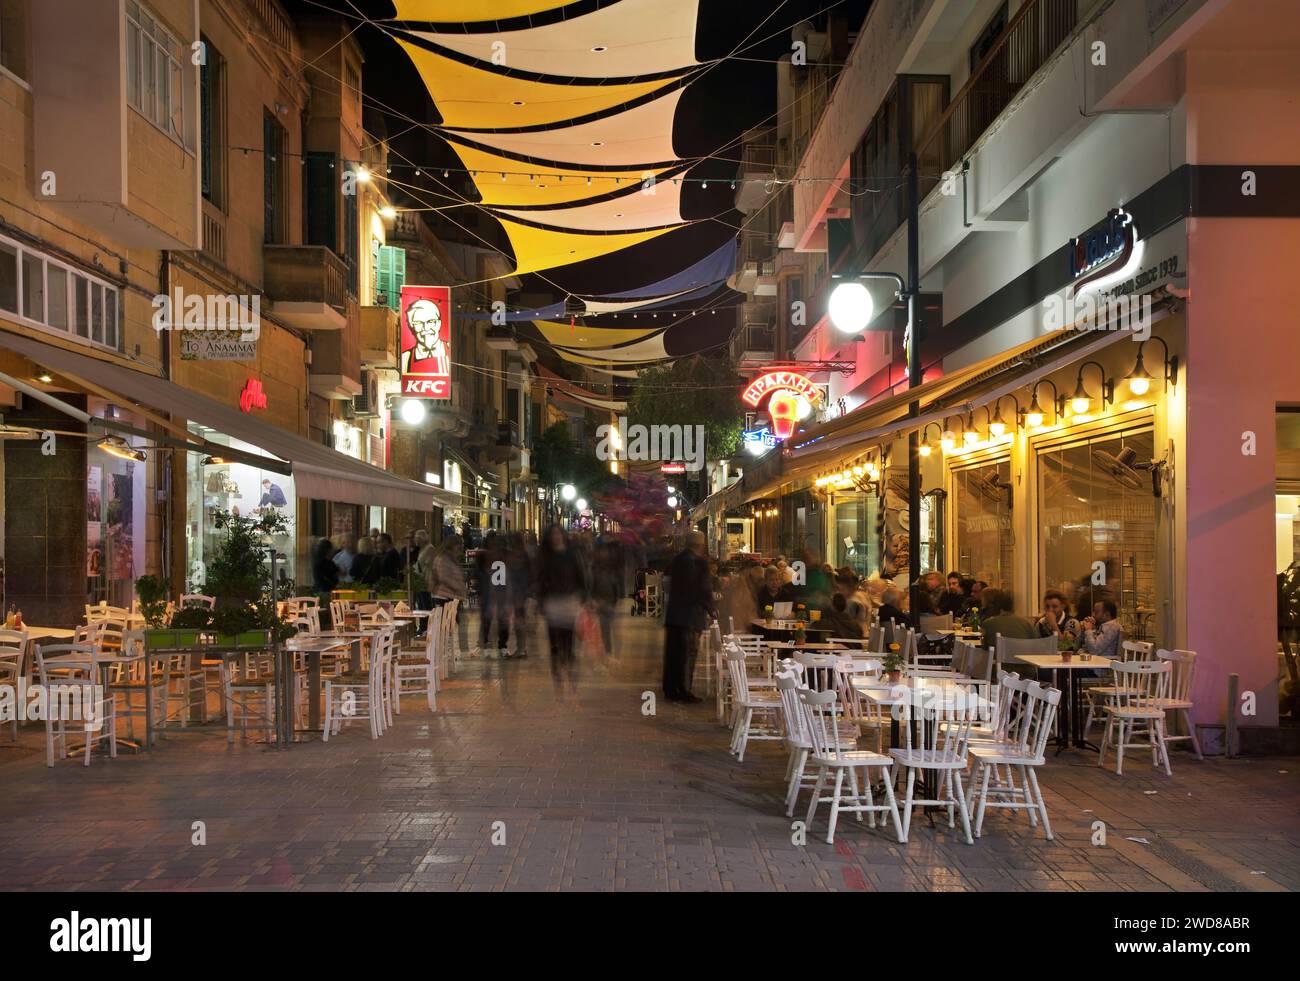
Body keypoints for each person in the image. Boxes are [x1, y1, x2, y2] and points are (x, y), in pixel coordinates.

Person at [663, 531, 714, 703]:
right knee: (688, 655)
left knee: (673, 653)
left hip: (674, 615)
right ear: (701, 545)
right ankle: (684, 689)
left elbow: (667, 583)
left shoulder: (676, 560)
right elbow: (703, 589)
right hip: (691, 617)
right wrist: (711, 609)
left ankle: (670, 688)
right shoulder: (699, 562)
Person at [537, 525, 588, 694]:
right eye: (553, 534)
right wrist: (540, 602)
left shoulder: (572, 555)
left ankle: (570, 673)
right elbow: (540, 580)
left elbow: (581, 576)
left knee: (568, 642)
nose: (556, 537)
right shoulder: (546, 557)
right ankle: (558, 678)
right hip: (552, 603)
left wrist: (584, 597)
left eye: (558, 533)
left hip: (569, 602)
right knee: (554, 645)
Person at [474, 531, 512, 657]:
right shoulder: (482, 556)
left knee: (502, 620)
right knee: (487, 620)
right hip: (487, 592)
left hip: (501, 593)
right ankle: (487, 645)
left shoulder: (505, 556)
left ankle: (502, 645)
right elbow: (478, 574)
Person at [591, 540, 623, 658]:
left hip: (610, 603)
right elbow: (592, 585)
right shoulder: (595, 568)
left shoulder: (613, 568)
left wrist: (615, 602)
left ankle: (610, 652)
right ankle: (607, 652)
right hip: (600, 602)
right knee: (604, 628)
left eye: (605, 551)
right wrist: (594, 600)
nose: (603, 553)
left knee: (611, 629)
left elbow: (617, 586)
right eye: (602, 551)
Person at [506, 531, 535, 658]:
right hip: (517, 592)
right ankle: (521, 648)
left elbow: (525, 575)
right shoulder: (520, 555)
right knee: (518, 621)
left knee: (519, 621)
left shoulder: (521, 556)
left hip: (520, 592)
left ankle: (521, 648)